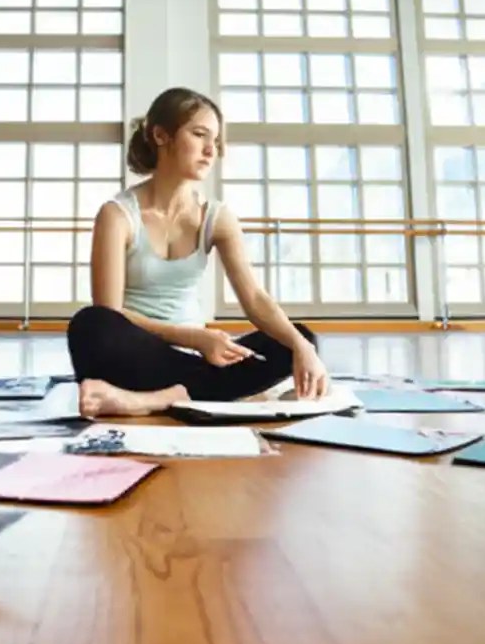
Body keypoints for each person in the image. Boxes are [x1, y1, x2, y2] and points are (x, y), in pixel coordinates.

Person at [67, 87, 329, 417]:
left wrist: (302, 347)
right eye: (199, 135)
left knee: (296, 339)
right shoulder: (117, 215)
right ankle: (199, 392)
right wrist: (194, 338)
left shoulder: (217, 217)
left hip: (193, 360)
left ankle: (153, 400)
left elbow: (255, 300)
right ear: (161, 136)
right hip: (135, 352)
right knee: (90, 324)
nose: (210, 150)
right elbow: (110, 311)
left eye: (216, 141)